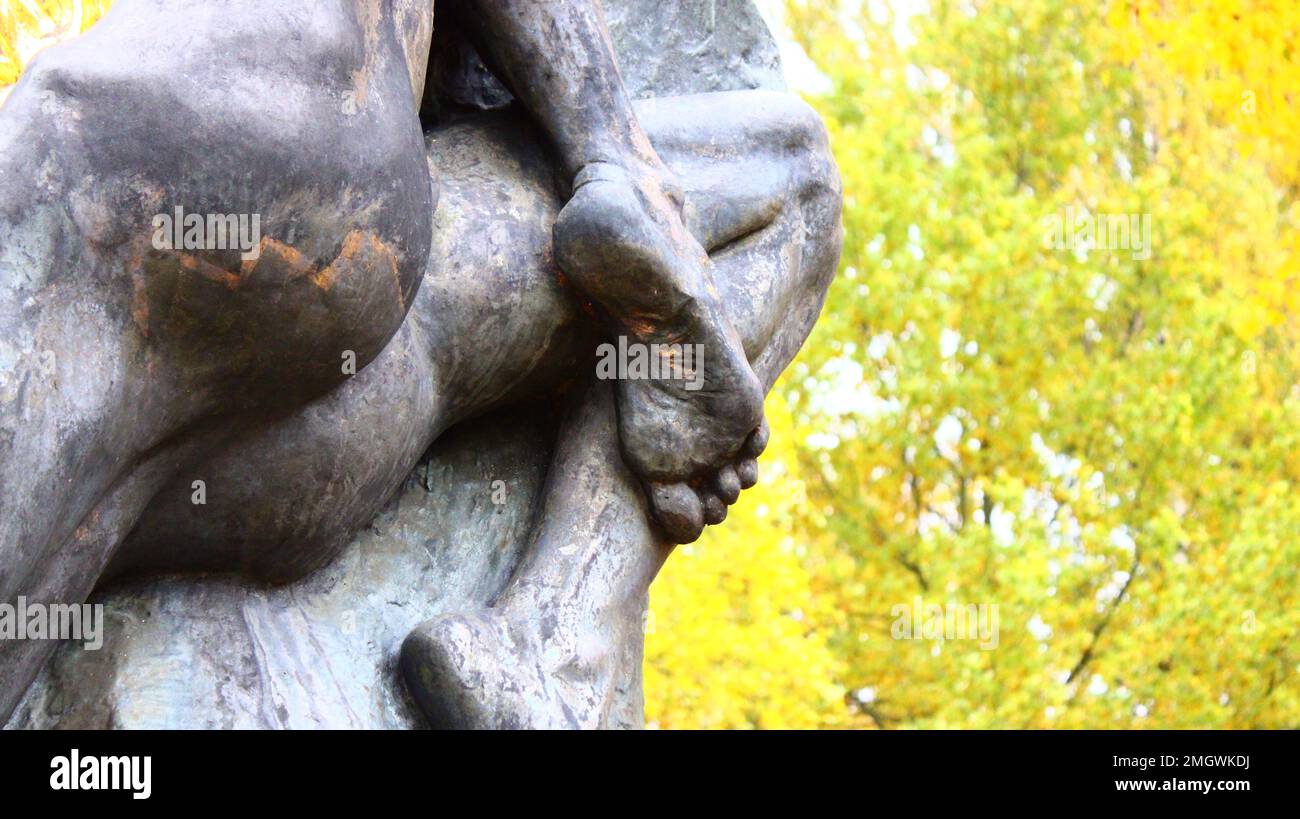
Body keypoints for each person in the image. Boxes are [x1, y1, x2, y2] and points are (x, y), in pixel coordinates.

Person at [0, 0, 840, 726]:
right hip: (345, 372)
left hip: (191, 166)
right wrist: (612, 152)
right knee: (792, 175)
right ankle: (560, 648)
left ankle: (556, 655)